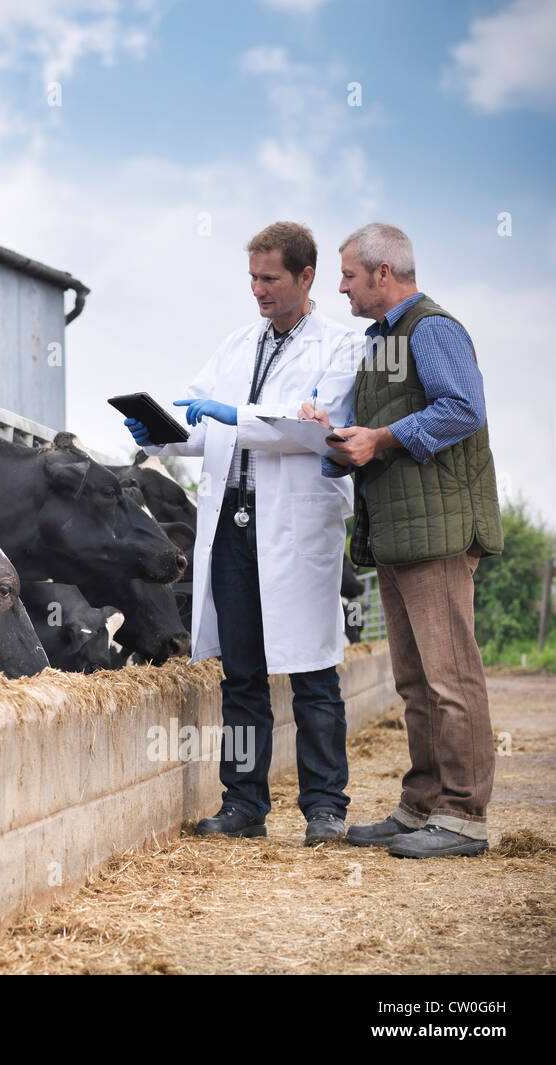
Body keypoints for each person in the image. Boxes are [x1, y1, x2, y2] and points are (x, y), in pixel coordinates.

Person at [126, 221, 364, 845]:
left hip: (295, 526)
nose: (258, 290)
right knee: (242, 671)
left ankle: (324, 808)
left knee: (313, 669)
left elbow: (314, 431)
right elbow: (205, 424)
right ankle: (244, 805)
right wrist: (167, 435)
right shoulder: (237, 344)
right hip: (232, 523)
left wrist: (241, 415)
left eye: (270, 278)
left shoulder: (342, 348)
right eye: (252, 278)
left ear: (306, 277)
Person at [301, 223, 502, 858]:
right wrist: (338, 439)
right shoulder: (380, 342)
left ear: (383, 274)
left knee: (451, 678)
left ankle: (464, 815)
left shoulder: (433, 330)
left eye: (349, 276)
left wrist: (380, 439)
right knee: (415, 682)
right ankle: (421, 806)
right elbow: (384, 431)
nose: (340, 288)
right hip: (398, 532)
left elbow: (463, 408)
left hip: (439, 533)